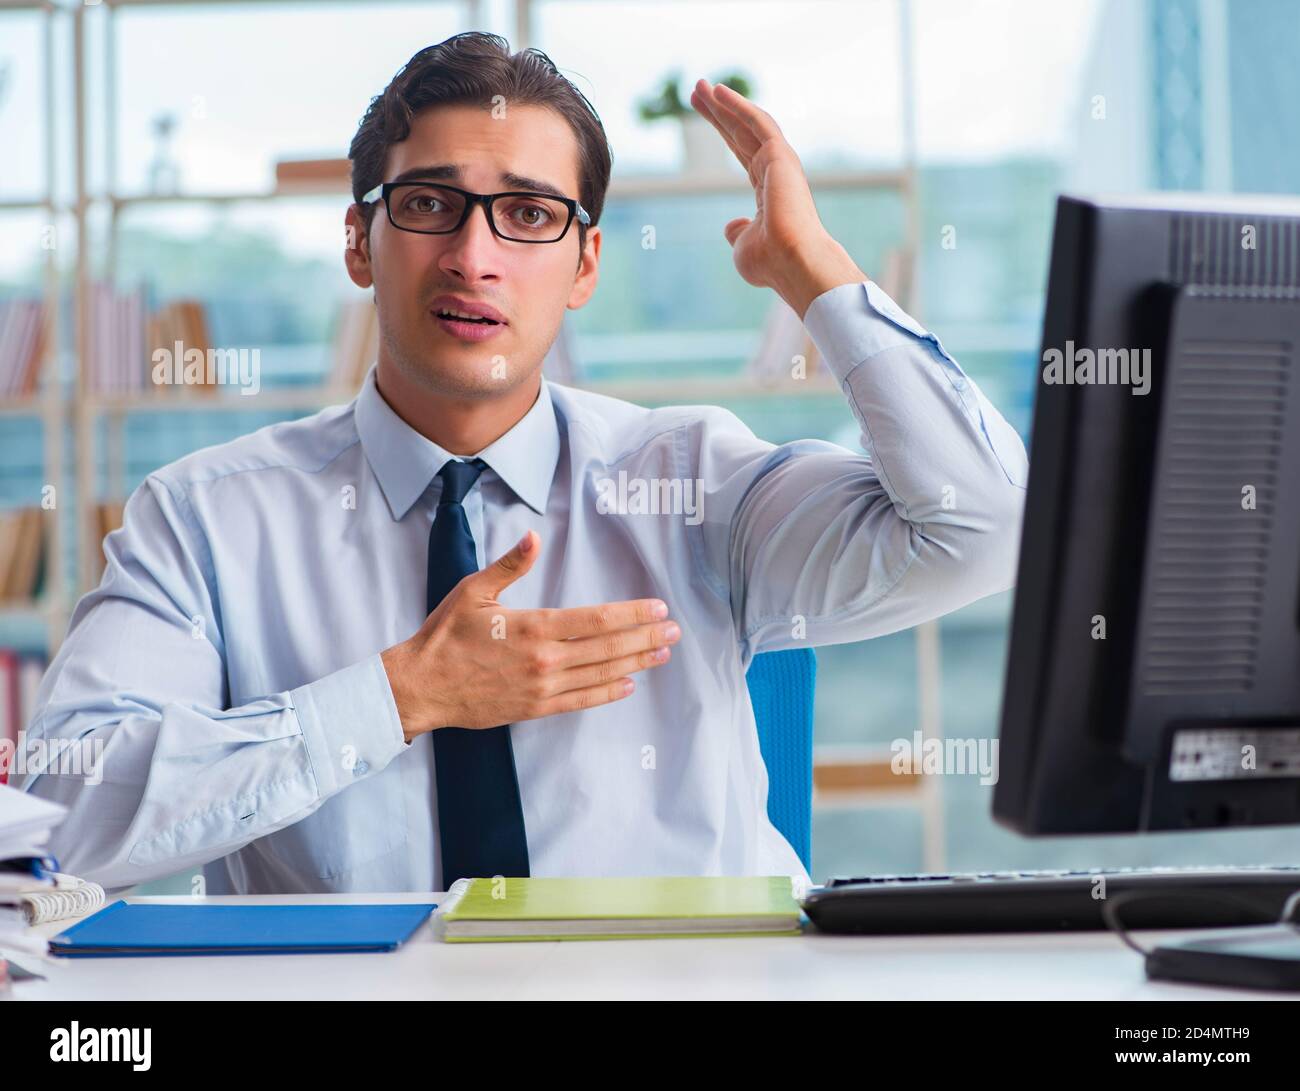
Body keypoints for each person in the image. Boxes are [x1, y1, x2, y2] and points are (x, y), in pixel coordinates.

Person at [17, 33, 1027, 894]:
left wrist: (815, 274)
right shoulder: (204, 518)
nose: (473, 255)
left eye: (530, 215)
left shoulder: (695, 480)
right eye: (427, 205)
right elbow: (58, 814)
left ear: (585, 265)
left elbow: (983, 526)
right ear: (360, 241)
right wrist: (399, 695)